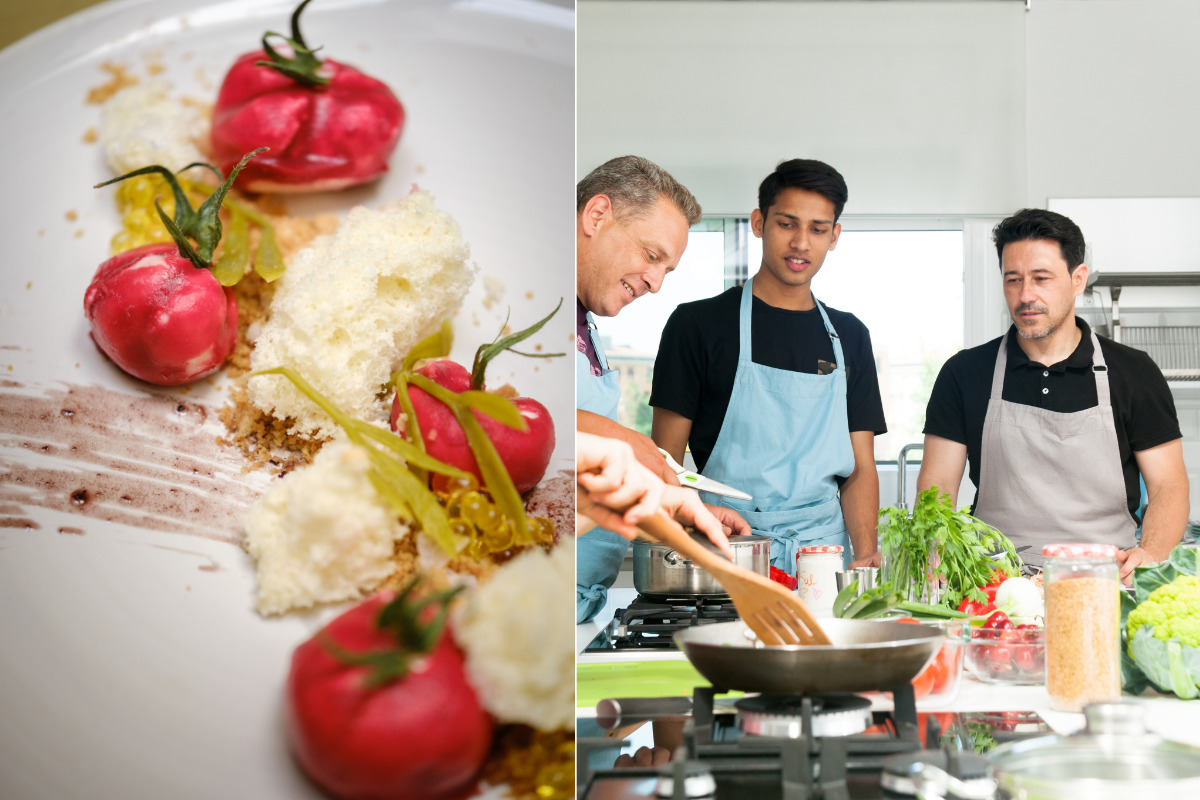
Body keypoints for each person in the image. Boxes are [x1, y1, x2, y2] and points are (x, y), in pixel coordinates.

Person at [917, 208, 1189, 584]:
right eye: (1013, 280)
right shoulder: (964, 373)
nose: (1025, 295)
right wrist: (936, 559)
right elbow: (937, 488)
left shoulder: (1134, 372)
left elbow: (1169, 486)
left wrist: (1151, 553)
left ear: (1078, 279)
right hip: (995, 586)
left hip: (1107, 582)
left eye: (1041, 278)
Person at [651, 159, 886, 575]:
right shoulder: (697, 325)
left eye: (818, 229)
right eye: (787, 224)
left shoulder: (850, 336)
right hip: (729, 548)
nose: (801, 242)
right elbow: (665, 461)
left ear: (834, 237)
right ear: (759, 223)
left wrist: (866, 555)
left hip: (824, 560)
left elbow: (860, 467)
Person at [576, 155, 749, 623]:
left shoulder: (586, 327)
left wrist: (676, 509)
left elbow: (579, 484)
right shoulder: (526, 302)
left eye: (667, 270)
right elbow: (508, 419)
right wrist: (628, 444)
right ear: (597, 215)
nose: (655, 284)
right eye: (652, 256)